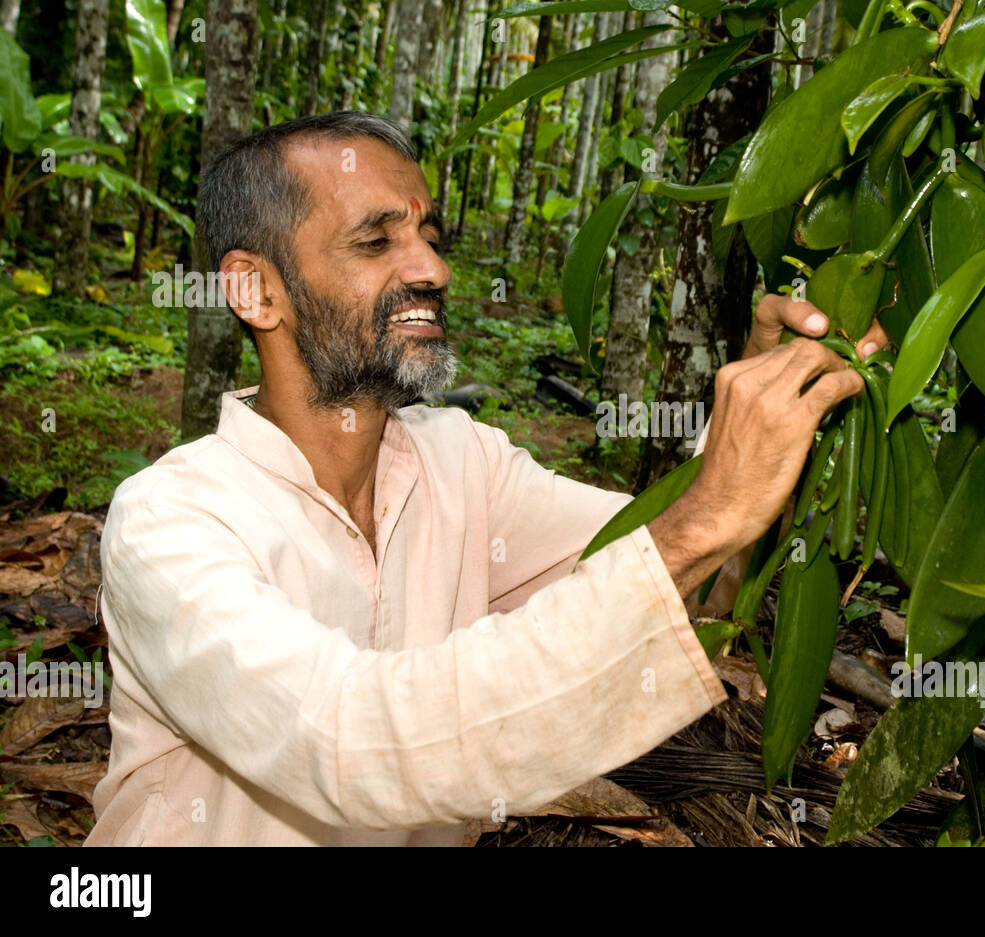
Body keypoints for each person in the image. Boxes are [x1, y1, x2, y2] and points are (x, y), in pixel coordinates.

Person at [85, 111, 888, 845]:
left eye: (429, 234)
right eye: (376, 241)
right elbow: (346, 740)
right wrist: (709, 515)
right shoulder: (171, 520)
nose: (431, 266)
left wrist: (763, 395)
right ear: (255, 290)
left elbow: (682, 575)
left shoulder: (460, 465)